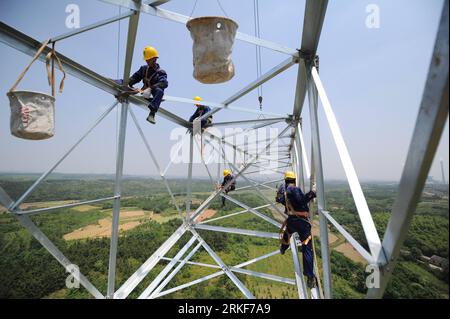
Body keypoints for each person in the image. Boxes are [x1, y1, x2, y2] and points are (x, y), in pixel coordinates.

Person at [278, 171, 318, 289]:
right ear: (294, 180)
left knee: (288, 232)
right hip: (301, 222)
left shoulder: (283, 190)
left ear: (286, 180)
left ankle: (283, 248)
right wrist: (312, 193)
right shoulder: (294, 189)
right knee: (306, 246)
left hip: (292, 220)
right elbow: (302, 200)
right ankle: (310, 276)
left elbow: (279, 199)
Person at [127, 46, 168, 124]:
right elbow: (135, 78)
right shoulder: (144, 69)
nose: (147, 62)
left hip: (153, 98)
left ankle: (152, 114)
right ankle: (118, 83)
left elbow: (164, 83)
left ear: (155, 59)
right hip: (143, 93)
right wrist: (128, 82)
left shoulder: (161, 72)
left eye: (149, 60)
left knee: (160, 91)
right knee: (124, 82)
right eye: (147, 60)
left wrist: (151, 88)